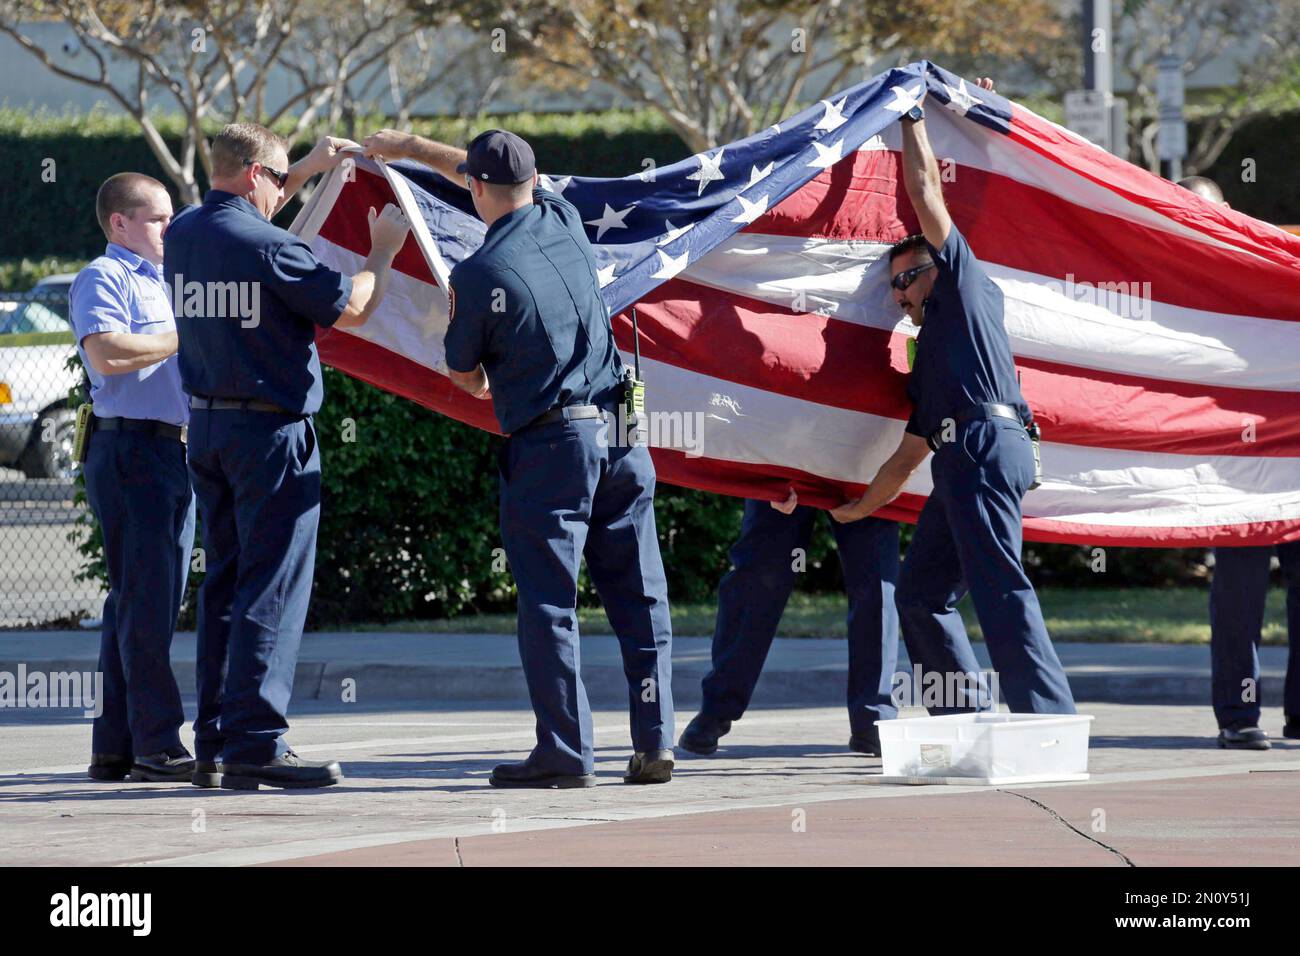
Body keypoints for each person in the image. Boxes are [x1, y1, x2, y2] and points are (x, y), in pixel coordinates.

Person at [362, 126, 675, 788]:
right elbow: (496, 178)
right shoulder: (560, 214)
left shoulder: (478, 275)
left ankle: (565, 752)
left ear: (475, 190)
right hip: (621, 431)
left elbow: (468, 379)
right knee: (641, 597)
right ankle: (655, 739)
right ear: (532, 184)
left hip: (553, 446)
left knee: (550, 605)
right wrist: (417, 148)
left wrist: (459, 325)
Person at [813, 77, 1075, 715]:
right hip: (965, 454)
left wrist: (914, 116)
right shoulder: (930, 360)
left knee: (997, 585)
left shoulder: (962, 289)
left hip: (986, 446)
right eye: (894, 292)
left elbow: (928, 190)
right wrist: (856, 510)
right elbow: (905, 459)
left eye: (905, 280)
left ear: (936, 264)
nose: (900, 297)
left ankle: (1048, 718)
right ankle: (968, 719)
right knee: (922, 593)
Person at [165, 124, 410, 789]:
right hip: (270, 436)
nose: (284, 191)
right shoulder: (268, 245)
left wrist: (300, 169)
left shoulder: (183, 234)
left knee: (225, 587)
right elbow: (354, 309)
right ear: (253, 176)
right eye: (278, 180)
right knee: (272, 588)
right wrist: (382, 251)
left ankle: (216, 743)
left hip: (209, 431)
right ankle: (258, 743)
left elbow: (248, 211)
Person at [72, 173, 196, 783]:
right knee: (146, 600)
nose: (170, 228)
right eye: (157, 218)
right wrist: (182, 337)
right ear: (120, 223)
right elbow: (106, 354)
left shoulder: (165, 278)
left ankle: (115, 743)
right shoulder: (105, 276)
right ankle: (157, 743)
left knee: (139, 599)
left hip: (169, 451)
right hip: (132, 451)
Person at [1177, 174, 1300, 750]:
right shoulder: (1168, 278)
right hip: (1237, 468)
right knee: (1237, 601)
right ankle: (1239, 716)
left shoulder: (1273, 256)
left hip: (1294, 457)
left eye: (1205, 210)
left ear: (1230, 209)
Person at [679, 495, 900, 756]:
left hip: (866, 465)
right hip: (788, 463)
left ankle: (873, 717)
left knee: (877, 585)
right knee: (759, 574)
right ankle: (717, 708)